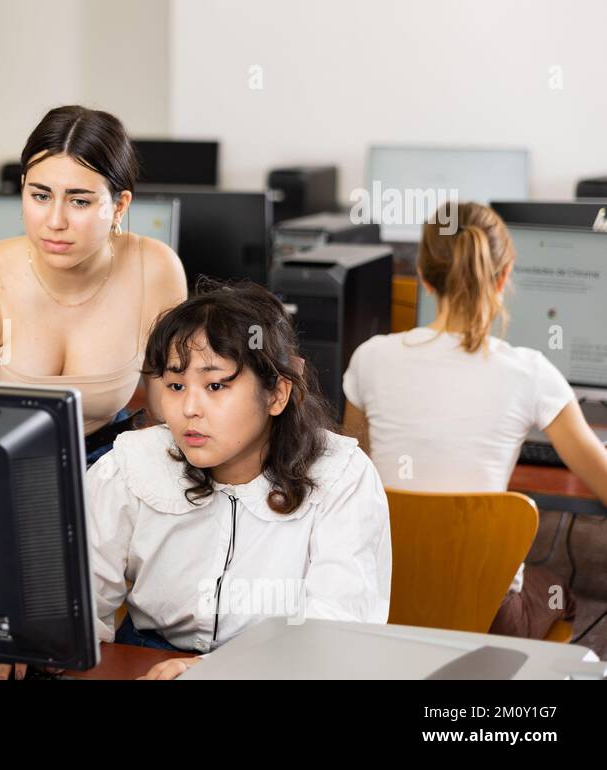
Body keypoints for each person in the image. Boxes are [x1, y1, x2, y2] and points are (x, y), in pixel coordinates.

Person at [89, 280, 391, 680]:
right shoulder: (131, 463)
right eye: (175, 386)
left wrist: (221, 668)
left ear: (277, 394)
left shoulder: (341, 476)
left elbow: (336, 632)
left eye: (215, 385)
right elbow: (77, 604)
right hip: (149, 663)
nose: (189, 409)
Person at [342, 202, 607, 638]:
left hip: (382, 602)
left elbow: (350, 479)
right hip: (488, 616)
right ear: (504, 277)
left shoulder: (370, 358)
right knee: (561, 588)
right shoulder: (532, 372)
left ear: (424, 278)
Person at [0, 106, 186, 465]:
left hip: (113, 461)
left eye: (80, 201)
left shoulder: (157, 269)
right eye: (40, 196)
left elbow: (171, 411)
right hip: (6, 464)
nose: (55, 221)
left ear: (119, 207)